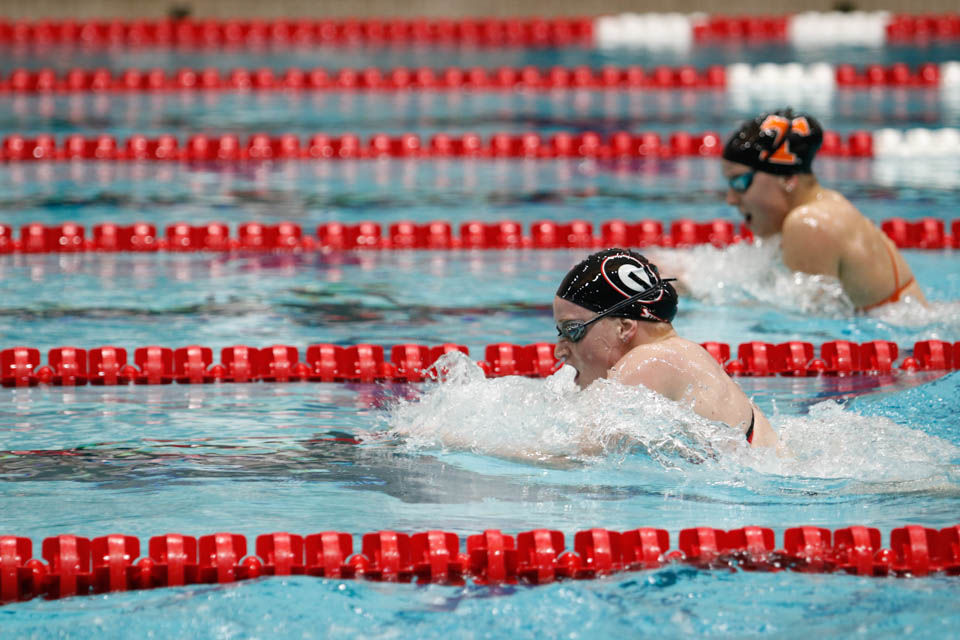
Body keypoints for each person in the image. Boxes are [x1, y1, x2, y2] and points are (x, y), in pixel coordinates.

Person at [554, 248, 777, 448]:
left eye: (573, 330)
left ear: (624, 328)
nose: (559, 351)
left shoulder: (649, 362)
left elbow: (578, 458)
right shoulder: (683, 356)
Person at [722, 108, 926, 311]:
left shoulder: (808, 223)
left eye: (740, 182)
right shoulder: (827, 205)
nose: (731, 199)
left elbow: (808, 327)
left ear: (787, 178)